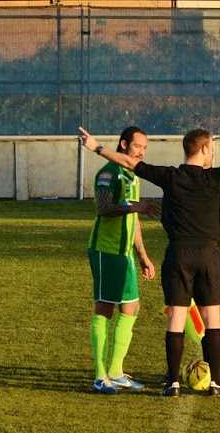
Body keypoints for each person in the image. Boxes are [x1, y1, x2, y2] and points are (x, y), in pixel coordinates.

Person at [79, 125, 220, 398]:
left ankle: (172, 382)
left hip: (178, 254)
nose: (213, 153)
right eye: (211, 148)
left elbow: (129, 161)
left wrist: (97, 148)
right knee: (212, 318)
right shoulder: (217, 177)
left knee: (176, 318)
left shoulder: (170, 176)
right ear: (202, 150)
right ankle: (217, 381)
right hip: (208, 254)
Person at [86, 126, 160, 394]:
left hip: (125, 253)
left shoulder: (133, 175)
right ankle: (99, 376)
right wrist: (135, 207)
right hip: (106, 251)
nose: (141, 152)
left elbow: (134, 218)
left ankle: (116, 372)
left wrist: (143, 256)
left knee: (131, 307)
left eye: (145, 148)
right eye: (138, 146)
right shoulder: (109, 172)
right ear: (123, 144)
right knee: (104, 307)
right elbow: (103, 209)